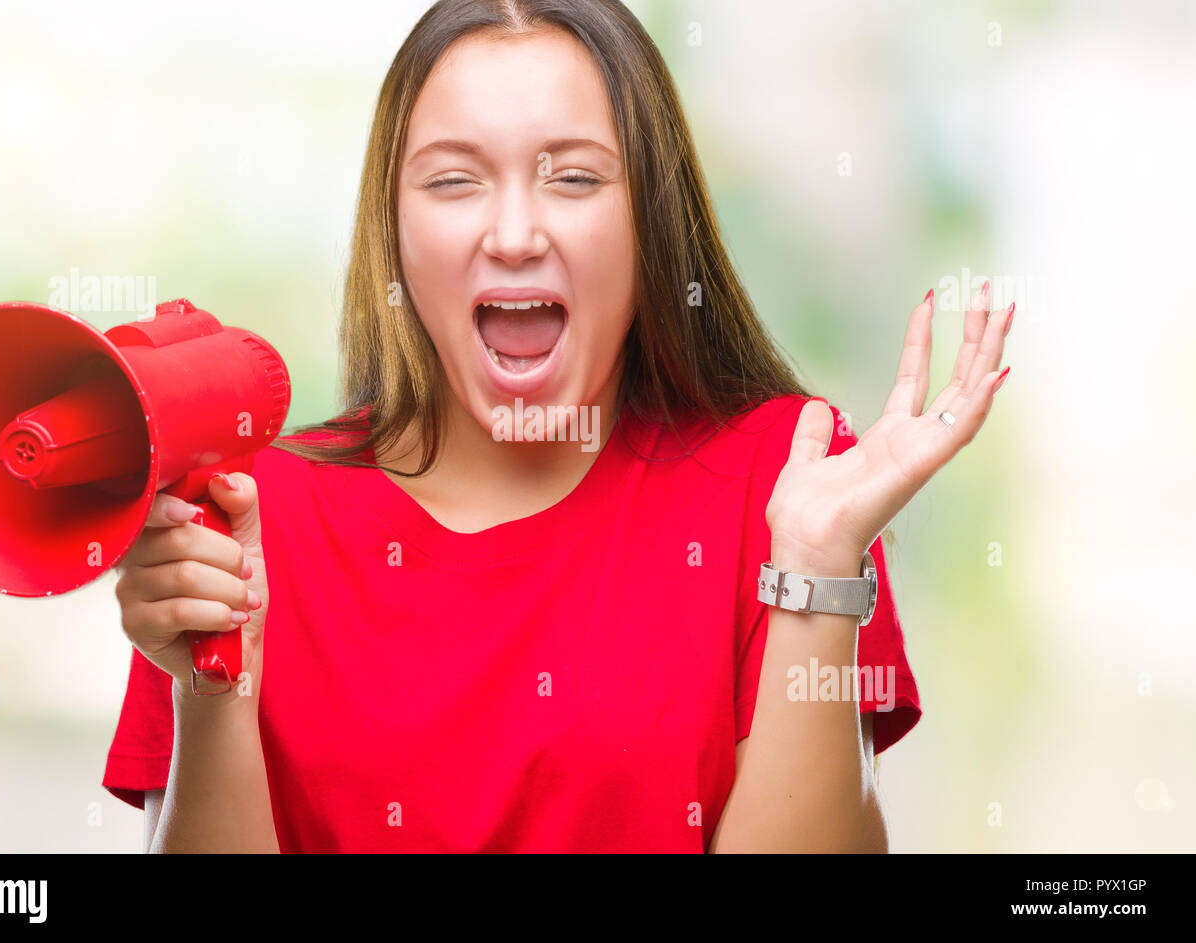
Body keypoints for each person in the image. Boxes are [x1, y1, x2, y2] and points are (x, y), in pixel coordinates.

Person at [103, 0, 1011, 853]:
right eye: (454, 180)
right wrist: (211, 685)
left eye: (574, 177)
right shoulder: (242, 518)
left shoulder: (787, 482)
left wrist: (816, 570)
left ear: (651, 217)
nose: (513, 231)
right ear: (395, 226)